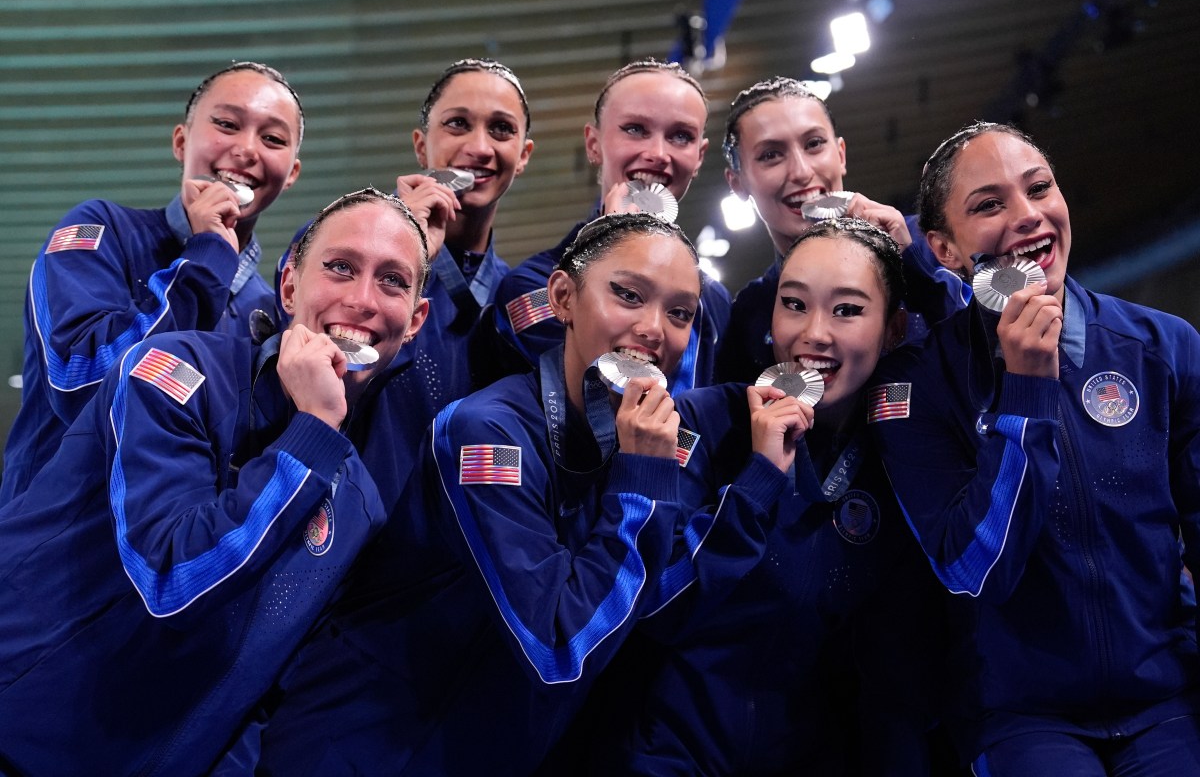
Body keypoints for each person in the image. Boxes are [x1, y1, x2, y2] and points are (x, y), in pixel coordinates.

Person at [252, 213, 745, 776]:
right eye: (628, 295)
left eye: (679, 313)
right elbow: (558, 650)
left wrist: (755, 483)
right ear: (562, 297)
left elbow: (644, 611)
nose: (654, 328)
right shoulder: (487, 433)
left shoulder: (633, 442)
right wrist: (641, 487)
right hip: (354, 753)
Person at [0, 188, 429, 776]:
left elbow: (261, 691)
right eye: (340, 267)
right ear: (288, 287)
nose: (361, 300)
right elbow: (171, 577)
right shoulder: (169, 371)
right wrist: (312, 430)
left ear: (415, 321)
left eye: (392, 281)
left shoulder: (358, 503)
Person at [868, 122, 1200, 773]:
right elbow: (974, 569)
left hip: (1166, 700)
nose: (1027, 215)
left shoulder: (1164, 348)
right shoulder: (915, 385)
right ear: (944, 249)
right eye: (989, 204)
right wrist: (1026, 394)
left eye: (1039, 188)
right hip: (1020, 717)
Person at [579, 218, 943, 775]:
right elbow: (651, 610)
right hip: (668, 759)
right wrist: (758, 479)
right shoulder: (701, 421)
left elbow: (896, 669)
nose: (814, 333)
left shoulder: (898, 458)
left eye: (847, 310)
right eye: (794, 304)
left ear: (893, 328)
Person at [0, 61, 303, 506]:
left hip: (173, 547)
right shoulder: (100, 231)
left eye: (273, 139)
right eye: (226, 124)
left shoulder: (272, 311)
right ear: (181, 141)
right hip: (55, 544)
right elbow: (80, 384)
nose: (246, 149)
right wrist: (206, 257)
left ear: (292, 172)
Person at [279, 58, 534, 506]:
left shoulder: (513, 299)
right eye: (457, 124)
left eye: (501, 129)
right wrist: (408, 238)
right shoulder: (330, 246)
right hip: (338, 518)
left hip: (456, 537)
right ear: (421, 145)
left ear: (524, 154)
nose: (480, 147)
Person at [480, 58, 730, 391]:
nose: (658, 153)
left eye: (680, 136)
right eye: (635, 129)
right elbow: (606, 390)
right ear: (593, 144)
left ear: (699, 156)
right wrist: (618, 245)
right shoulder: (532, 286)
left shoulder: (714, 300)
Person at [715, 76, 970, 385]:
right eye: (771, 155)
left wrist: (914, 269)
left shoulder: (932, 244)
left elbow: (988, 351)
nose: (802, 172)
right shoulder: (751, 312)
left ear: (841, 154)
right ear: (737, 184)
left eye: (814, 144)